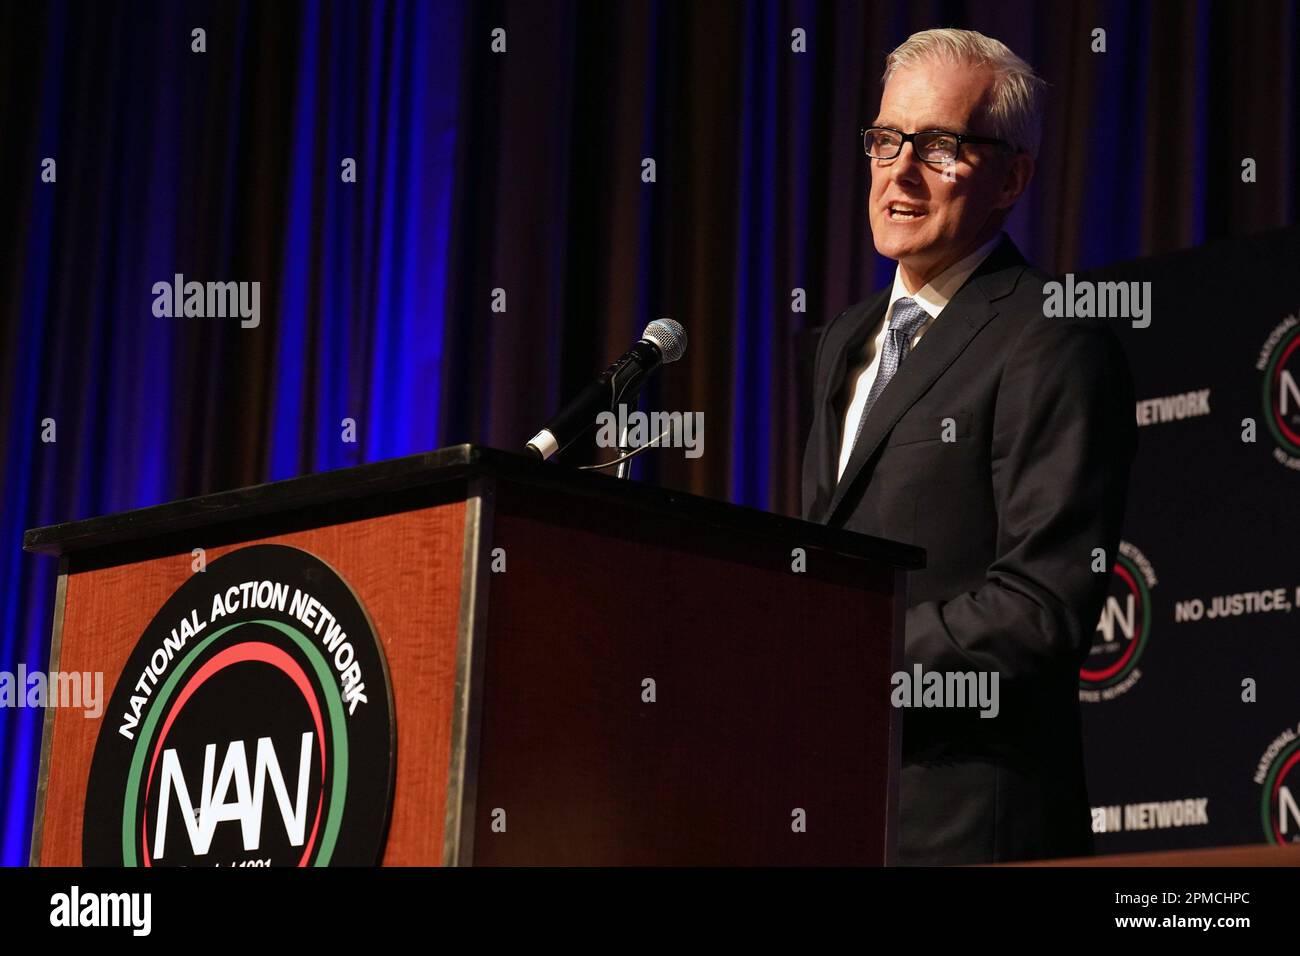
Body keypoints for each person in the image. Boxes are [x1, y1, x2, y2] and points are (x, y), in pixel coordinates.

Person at [801, 28, 1137, 864]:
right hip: (835, 811)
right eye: (887, 139)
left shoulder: (1052, 332)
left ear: (1013, 177)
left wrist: (842, 664)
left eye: (941, 146)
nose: (901, 172)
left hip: (975, 829)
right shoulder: (845, 338)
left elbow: (1041, 607)